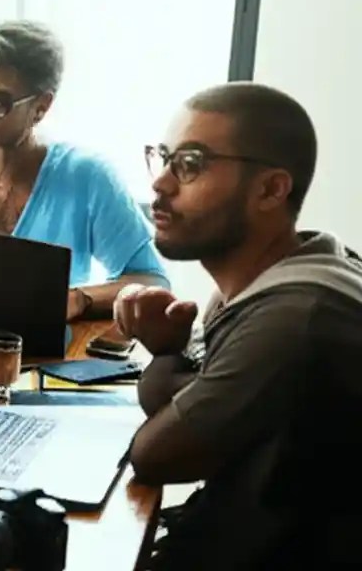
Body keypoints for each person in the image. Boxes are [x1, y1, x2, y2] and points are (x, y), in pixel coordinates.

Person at [117, 83, 362, 569]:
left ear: (271, 189)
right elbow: (184, 412)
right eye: (163, 158)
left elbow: (155, 454)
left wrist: (168, 356)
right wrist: (170, 347)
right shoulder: (293, 268)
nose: (161, 184)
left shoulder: (296, 317)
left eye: (190, 164)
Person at [0, 20, 168, 322]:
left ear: (41, 107)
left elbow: (153, 282)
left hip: (48, 363)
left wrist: (80, 299)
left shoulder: (88, 177)